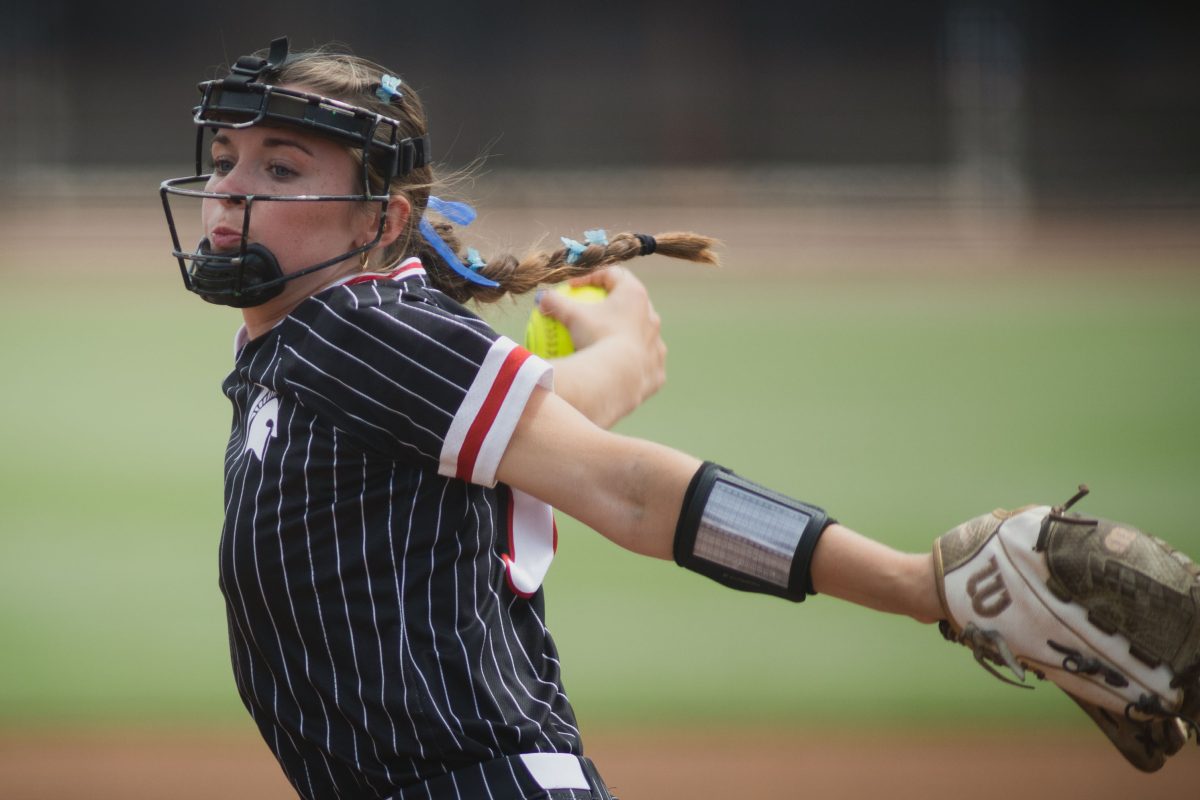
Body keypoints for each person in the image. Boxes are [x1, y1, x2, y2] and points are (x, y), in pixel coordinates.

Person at [160, 37, 1196, 799]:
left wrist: (918, 585)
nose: (228, 193)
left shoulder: (354, 329)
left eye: (281, 168)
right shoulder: (325, 345)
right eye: (225, 158)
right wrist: (618, 361)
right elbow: (539, 439)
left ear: (381, 218)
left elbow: (627, 487)